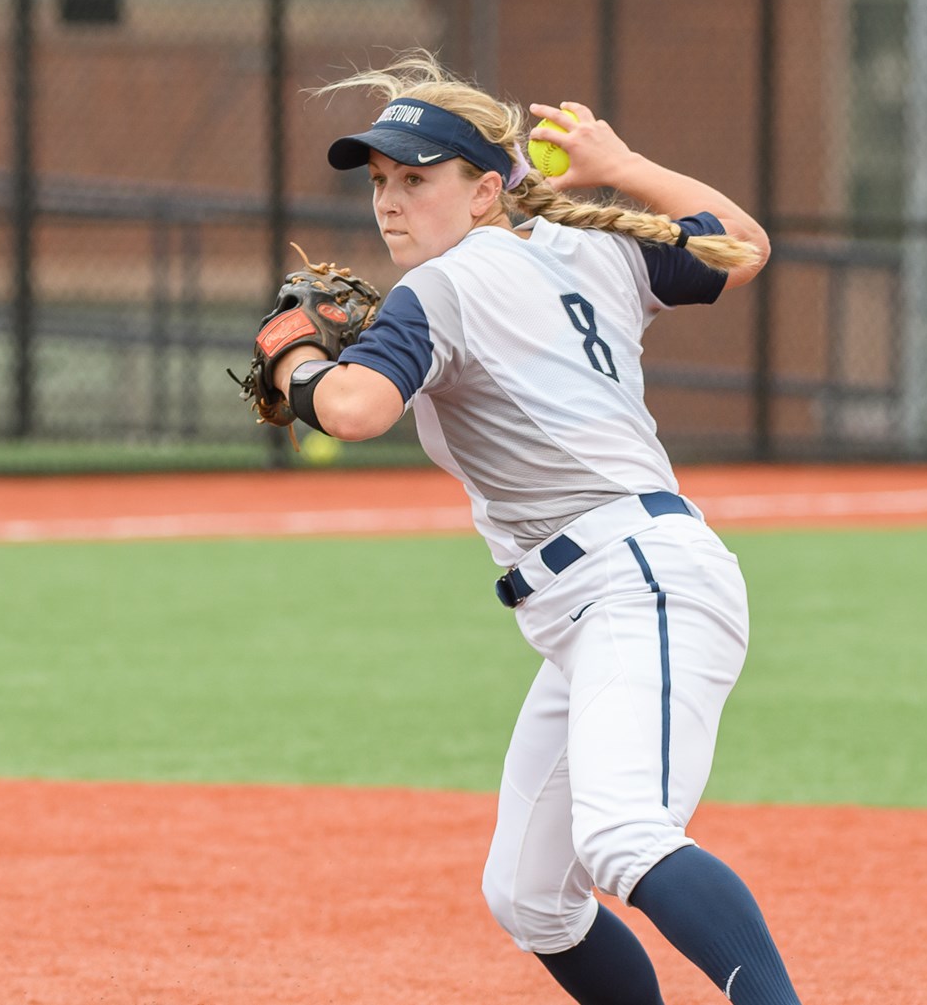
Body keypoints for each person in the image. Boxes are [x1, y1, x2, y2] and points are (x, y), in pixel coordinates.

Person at [269, 51, 802, 1005]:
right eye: (381, 182)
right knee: (531, 896)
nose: (390, 203)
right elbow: (743, 242)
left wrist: (292, 361)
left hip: (639, 580)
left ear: (484, 191)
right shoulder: (584, 246)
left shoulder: (445, 288)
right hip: (595, 600)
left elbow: (352, 410)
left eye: (416, 180)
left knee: (624, 834)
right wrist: (623, 165)